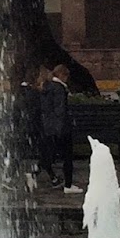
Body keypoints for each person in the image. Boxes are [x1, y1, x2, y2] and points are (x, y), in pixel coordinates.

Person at [34, 61, 76, 193]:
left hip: (49, 127)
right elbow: (60, 110)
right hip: (61, 128)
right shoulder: (59, 89)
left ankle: (34, 172)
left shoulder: (47, 87)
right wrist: (62, 128)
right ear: (63, 75)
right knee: (67, 156)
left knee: (50, 154)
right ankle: (68, 185)